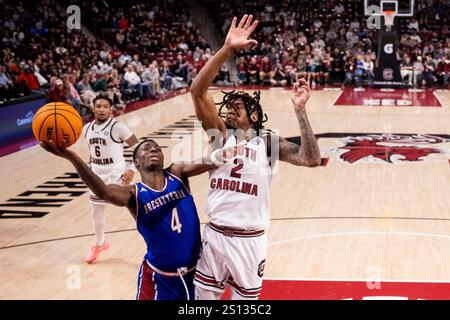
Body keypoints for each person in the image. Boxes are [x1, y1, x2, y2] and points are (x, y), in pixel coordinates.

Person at [190, 14, 321, 300]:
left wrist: (300, 111)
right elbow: (198, 92)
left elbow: (310, 159)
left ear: (254, 115)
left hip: (250, 241)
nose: (229, 110)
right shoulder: (220, 136)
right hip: (215, 236)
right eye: (229, 107)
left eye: (238, 107)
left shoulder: (268, 142)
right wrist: (226, 50)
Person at [40, 139, 214, 300]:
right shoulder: (133, 193)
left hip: (197, 272)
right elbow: (104, 192)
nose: (153, 149)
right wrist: (72, 157)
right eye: (146, 148)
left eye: (157, 148)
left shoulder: (177, 173)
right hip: (159, 279)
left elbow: (213, 160)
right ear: (136, 163)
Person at [82, 94, 139, 263]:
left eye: (105, 106)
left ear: (110, 110)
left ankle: (156, 239)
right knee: (96, 213)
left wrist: (132, 169)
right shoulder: (87, 129)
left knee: (135, 207)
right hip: (97, 175)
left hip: (117, 173)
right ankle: (100, 244)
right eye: (98, 106)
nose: (101, 109)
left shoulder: (118, 127)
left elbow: (139, 148)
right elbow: (93, 152)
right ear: (93, 109)